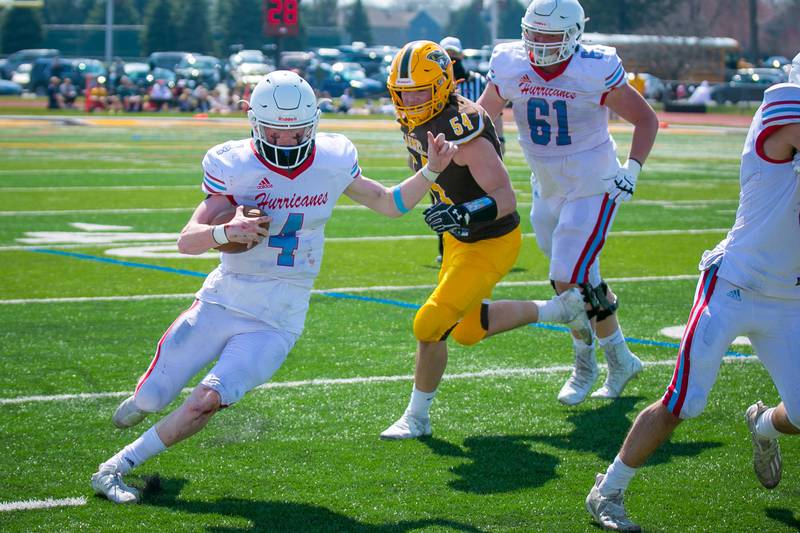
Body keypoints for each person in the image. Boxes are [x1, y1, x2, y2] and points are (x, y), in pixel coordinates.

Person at [91, 70, 460, 504]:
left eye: (296, 132)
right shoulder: (233, 163)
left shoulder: (332, 158)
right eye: (274, 132)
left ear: (313, 124)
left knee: (206, 400)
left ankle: (115, 467)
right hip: (223, 301)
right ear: (254, 122)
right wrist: (226, 231)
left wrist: (432, 170)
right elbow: (186, 240)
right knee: (153, 398)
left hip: (278, 318)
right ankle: (144, 400)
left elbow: (390, 203)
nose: (286, 142)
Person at [584, 51, 800, 532]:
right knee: (683, 402)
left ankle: (763, 424)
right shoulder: (781, 112)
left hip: (789, 299)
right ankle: (608, 491)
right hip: (733, 286)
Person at [380, 40, 592, 440]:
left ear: (442, 86)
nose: (411, 102)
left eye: (420, 92)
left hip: (491, 240)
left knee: (429, 324)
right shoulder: (415, 121)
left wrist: (461, 212)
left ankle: (417, 417)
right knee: (468, 330)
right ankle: (561, 310)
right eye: (404, 93)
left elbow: (506, 198)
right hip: (457, 241)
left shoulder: (464, 131)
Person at [478, 0, 659, 406]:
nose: (540, 44)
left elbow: (646, 119)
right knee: (582, 277)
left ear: (574, 35)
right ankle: (621, 359)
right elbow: (483, 116)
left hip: (592, 182)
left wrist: (632, 168)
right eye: (534, 34)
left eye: (551, 36)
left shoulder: (594, 67)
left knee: (565, 274)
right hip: (546, 184)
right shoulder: (509, 62)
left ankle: (584, 363)